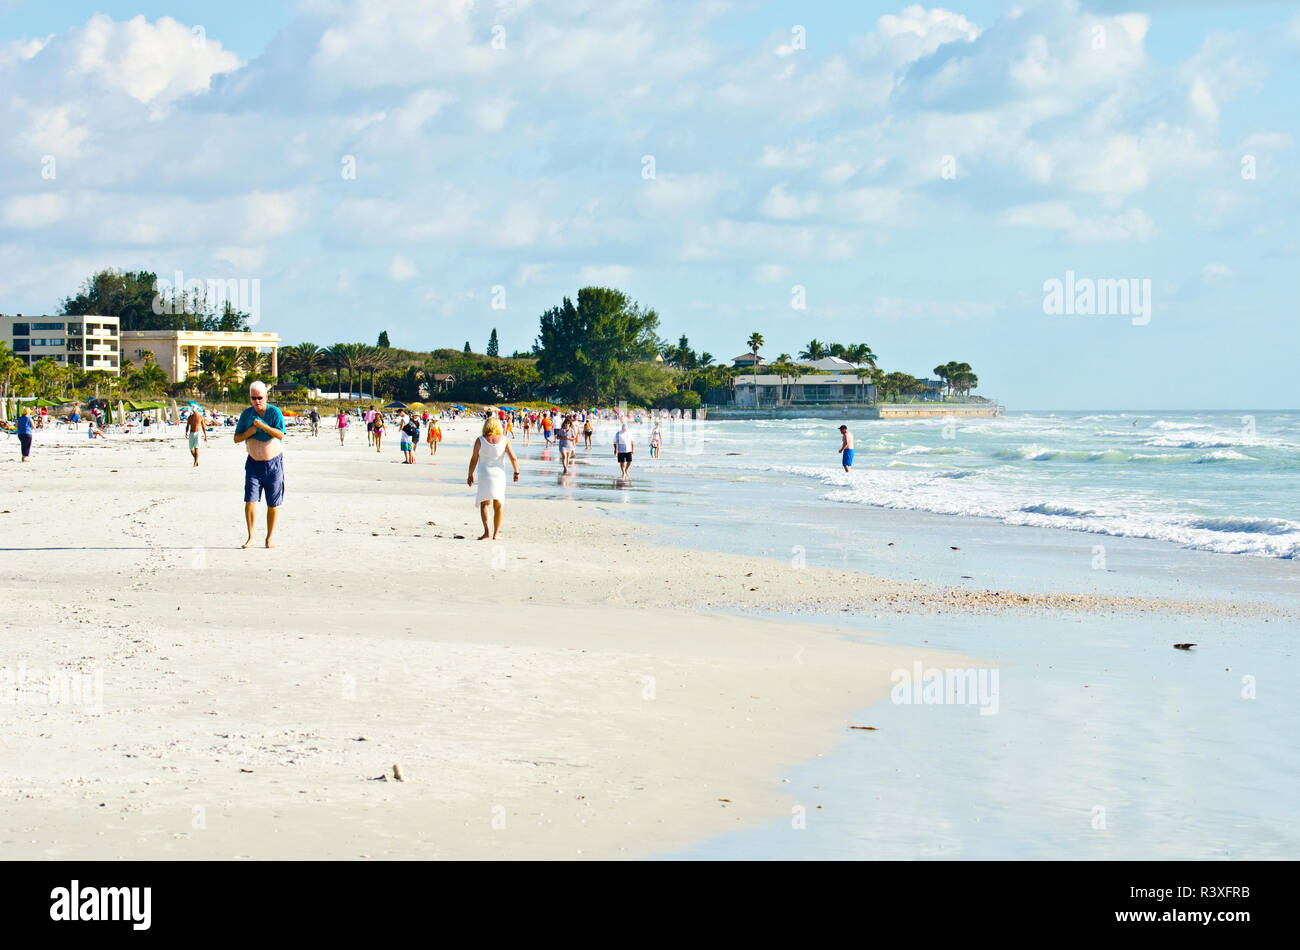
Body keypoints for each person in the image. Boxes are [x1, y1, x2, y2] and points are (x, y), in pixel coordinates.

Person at [234, 381, 286, 549]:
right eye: (253, 398)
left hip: (273, 465)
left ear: (266, 397)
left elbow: (280, 434)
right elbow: (237, 438)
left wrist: (263, 426)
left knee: (272, 503)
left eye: (260, 398)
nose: (257, 401)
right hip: (253, 464)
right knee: (250, 500)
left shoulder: (274, 412)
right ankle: (251, 537)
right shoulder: (246, 414)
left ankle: (269, 538)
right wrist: (250, 431)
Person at [467, 416, 519, 541]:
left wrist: (470, 474)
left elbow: (474, 459)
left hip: (484, 474)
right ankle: (496, 534)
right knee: (498, 504)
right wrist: (516, 472)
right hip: (499, 475)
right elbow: (513, 458)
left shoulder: (480, 440)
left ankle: (486, 531)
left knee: (484, 503)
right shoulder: (504, 440)